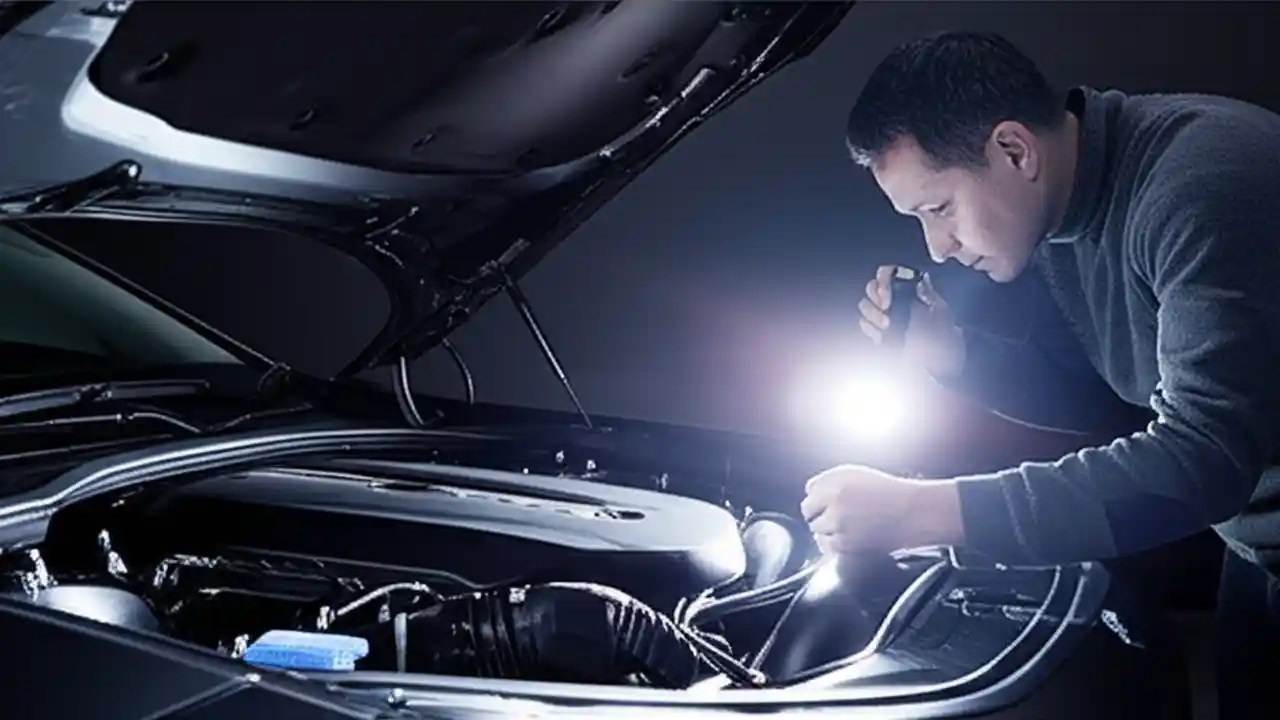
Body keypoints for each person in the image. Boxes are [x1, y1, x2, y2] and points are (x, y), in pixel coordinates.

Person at [802, 31, 1280, 716]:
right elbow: (1114, 397)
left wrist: (925, 511)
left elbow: (1202, 463)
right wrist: (955, 355)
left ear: (1013, 150)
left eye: (938, 209)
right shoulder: (1068, 211)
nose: (937, 247)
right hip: (1258, 549)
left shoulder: (1204, 187)